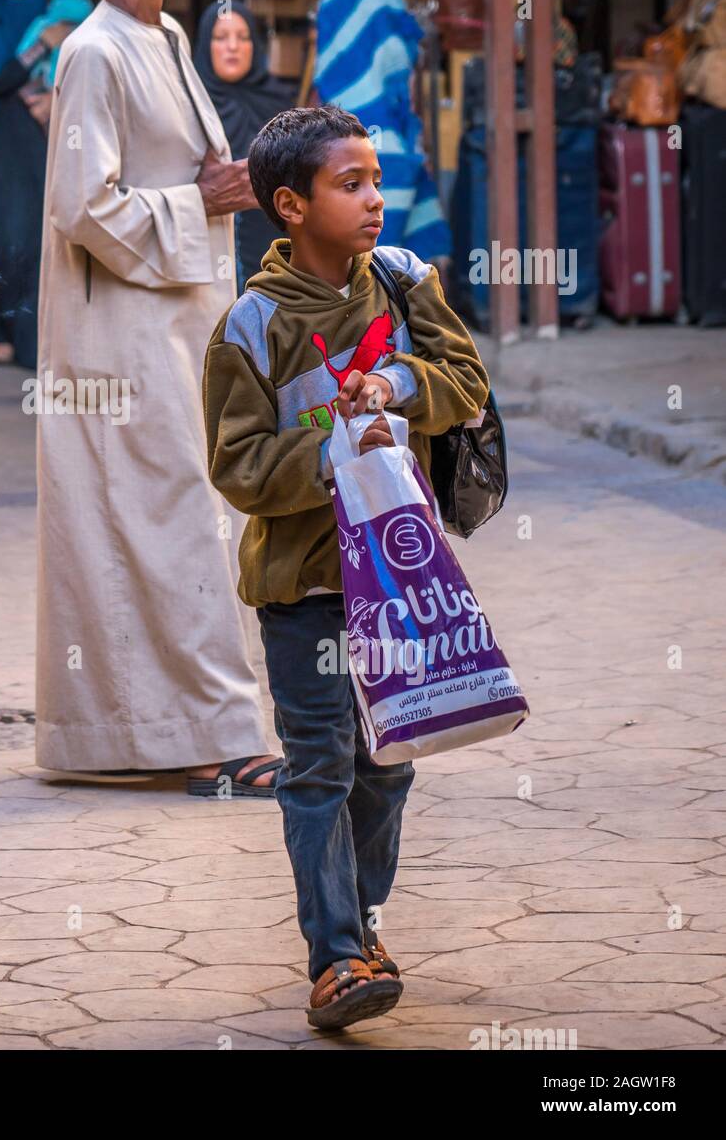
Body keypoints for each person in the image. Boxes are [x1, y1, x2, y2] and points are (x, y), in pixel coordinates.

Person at [202, 104, 490, 1029]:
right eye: (350, 184)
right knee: (320, 764)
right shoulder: (248, 327)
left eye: (375, 180)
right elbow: (238, 467)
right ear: (289, 204)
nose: (375, 200)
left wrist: (399, 382)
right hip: (304, 587)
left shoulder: (404, 282)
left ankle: (362, 927)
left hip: (399, 582)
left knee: (389, 764)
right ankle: (333, 957)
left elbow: (466, 385)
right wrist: (330, 447)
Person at [33, 0, 282, 794]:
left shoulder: (170, 34)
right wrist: (199, 199)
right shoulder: (92, 53)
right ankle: (221, 737)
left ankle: (119, 735)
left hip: (177, 318)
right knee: (171, 515)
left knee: (154, 520)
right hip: (120, 337)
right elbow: (80, 206)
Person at [313, 0, 451, 267]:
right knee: (396, 251)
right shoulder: (381, 8)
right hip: (390, 141)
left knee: (377, 247)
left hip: (366, 140)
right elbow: (404, 76)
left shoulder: (338, 9)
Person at [0, 0, 93, 367]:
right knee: (14, 241)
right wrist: (42, 44)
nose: (67, 33)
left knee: (49, 247)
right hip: (12, 160)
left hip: (63, 164)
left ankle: (36, 342)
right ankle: (3, 329)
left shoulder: (94, 53)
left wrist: (58, 105)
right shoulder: (23, 42)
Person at [193, 0, 295, 287]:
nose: (233, 47)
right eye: (221, 37)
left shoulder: (280, 103)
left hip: (275, 245)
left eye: (243, 37)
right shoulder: (192, 107)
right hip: (212, 247)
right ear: (205, 45)